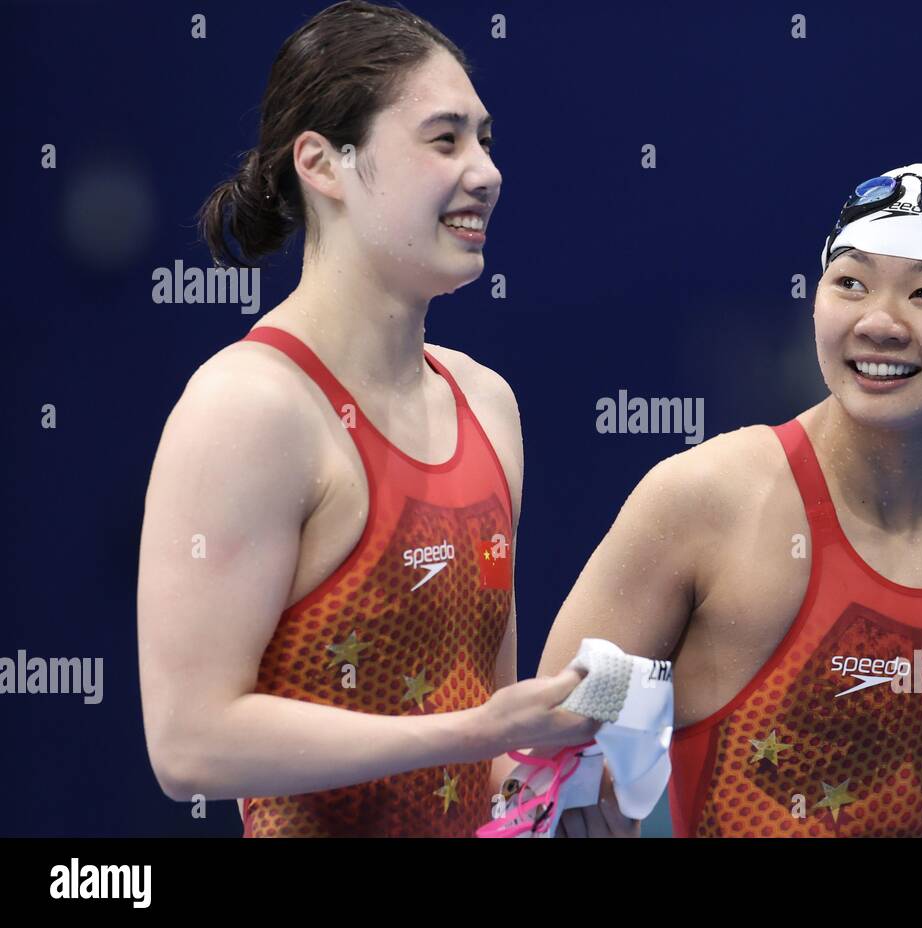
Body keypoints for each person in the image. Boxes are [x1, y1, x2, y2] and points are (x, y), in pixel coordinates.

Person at [137, 0, 596, 837]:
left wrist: (550, 796)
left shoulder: (486, 404)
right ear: (322, 162)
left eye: (486, 140)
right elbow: (188, 743)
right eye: (445, 138)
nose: (486, 171)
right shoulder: (249, 407)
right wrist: (476, 732)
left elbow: (487, 751)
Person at [538, 164, 922, 837]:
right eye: (850, 283)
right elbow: (540, 764)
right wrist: (590, 780)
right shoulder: (704, 500)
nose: (879, 322)